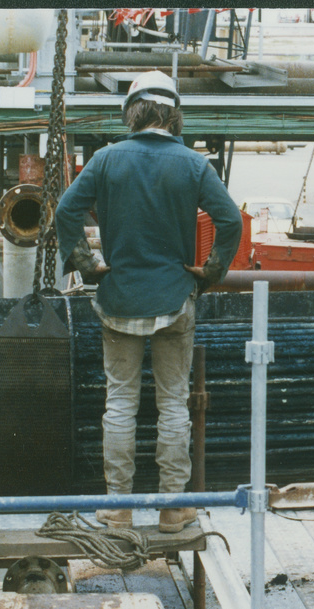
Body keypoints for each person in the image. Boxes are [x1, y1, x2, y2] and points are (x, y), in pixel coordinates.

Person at [57, 70, 242, 533]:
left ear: (132, 112)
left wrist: (86, 262)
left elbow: (65, 211)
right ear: (174, 115)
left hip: (118, 298)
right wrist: (211, 272)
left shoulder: (105, 160)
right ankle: (172, 509)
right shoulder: (194, 165)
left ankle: (118, 507)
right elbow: (230, 221)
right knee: (174, 405)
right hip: (175, 299)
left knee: (119, 404)